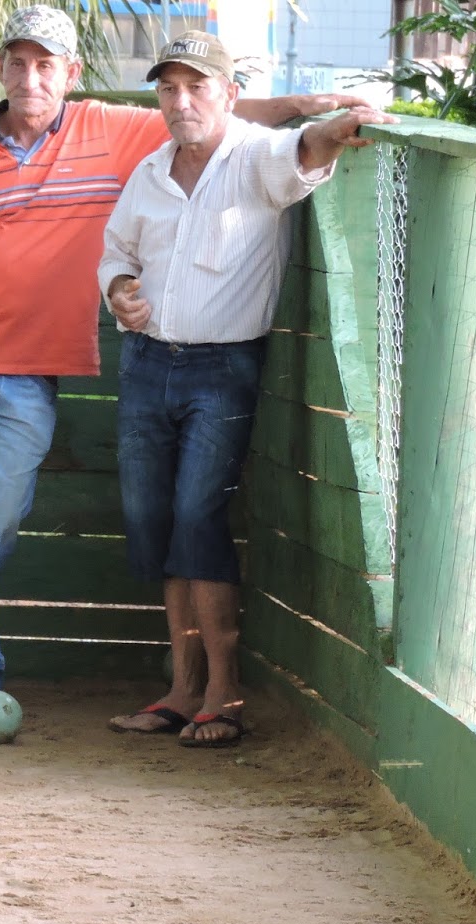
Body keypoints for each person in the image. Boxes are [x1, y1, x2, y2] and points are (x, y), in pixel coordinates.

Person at [0, 5, 365, 715]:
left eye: (45, 64)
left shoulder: (115, 129)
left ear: (71, 75)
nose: (30, 77)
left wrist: (304, 107)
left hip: (36, 369)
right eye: (17, 62)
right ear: (0, 69)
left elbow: (208, 106)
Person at [99, 32, 393, 746]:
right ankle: (180, 689)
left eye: (198, 86)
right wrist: (120, 290)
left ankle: (224, 694)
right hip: (145, 365)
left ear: (228, 94)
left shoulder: (253, 155)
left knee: (199, 514)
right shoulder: (150, 172)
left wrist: (344, 121)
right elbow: (117, 251)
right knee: (161, 520)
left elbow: (307, 151)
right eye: (169, 88)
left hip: (222, 367)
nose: (181, 101)